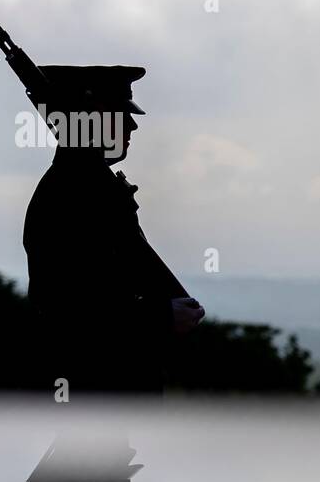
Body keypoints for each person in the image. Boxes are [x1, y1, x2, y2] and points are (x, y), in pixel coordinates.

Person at [23, 65, 204, 397]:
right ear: (90, 120)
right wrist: (159, 319)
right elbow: (67, 311)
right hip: (91, 393)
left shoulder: (92, 187)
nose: (132, 125)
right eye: (120, 115)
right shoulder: (72, 193)